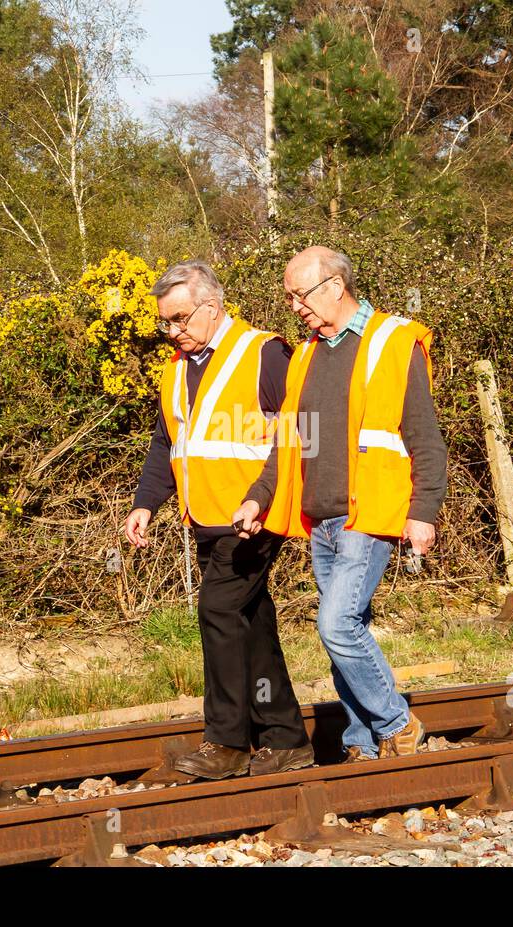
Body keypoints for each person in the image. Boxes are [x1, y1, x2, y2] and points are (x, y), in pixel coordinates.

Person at [232, 246, 447, 762]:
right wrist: (258, 497)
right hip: (321, 519)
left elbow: (424, 435)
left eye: (299, 294)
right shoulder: (304, 353)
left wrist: (425, 511)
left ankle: (398, 722)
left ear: (334, 285)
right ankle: (360, 742)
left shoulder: (395, 341)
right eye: (288, 297)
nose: (293, 306)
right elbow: (288, 442)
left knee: (337, 625)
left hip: (367, 514)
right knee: (343, 632)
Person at [124, 260, 313, 779]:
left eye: (180, 319)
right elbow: (169, 443)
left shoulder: (264, 353)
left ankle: (226, 741)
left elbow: (296, 436)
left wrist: (261, 497)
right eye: (165, 323)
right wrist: (146, 503)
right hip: (204, 516)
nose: (172, 332)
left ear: (212, 308)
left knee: (217, 609)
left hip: (253, 515)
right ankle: (285, 737)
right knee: (250, 622)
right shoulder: (176, 366)